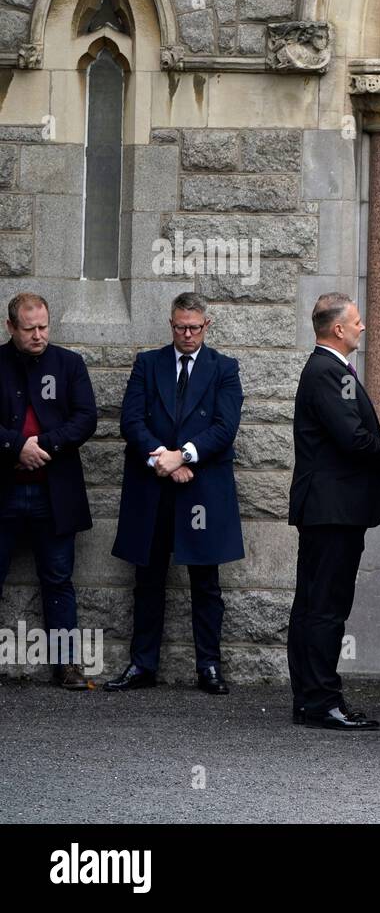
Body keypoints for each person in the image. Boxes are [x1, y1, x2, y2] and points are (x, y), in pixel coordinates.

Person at [106, 293, 244, 695]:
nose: (187, 334)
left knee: (206, 582)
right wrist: (161, 461)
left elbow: (224, 426)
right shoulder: (147, 364)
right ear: (171, 324)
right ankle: (142, 664)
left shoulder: (224, 368)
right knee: (148, 579)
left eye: (194, 327)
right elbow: (130, 421)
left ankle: (209, 666)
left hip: (201, 488)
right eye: (180, 327)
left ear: (207, 324)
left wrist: (183, 456)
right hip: (154, 486)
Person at [287, 293, 380, 730]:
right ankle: (320, 701)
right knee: (324, 608)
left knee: (315, 605)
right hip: (331, 512)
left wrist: (376, 440)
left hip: (329, 510)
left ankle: (310, 698)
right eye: (357, 321)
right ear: (337, 329)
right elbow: (353, 441)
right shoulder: (327, 371)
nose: (363, 327)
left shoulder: (329, 370)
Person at [0, 293, 97, 689]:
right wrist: (14, 447)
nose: (38, 335)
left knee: (58, 578)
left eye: (44, 327)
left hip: (53, 493)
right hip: (4, 490)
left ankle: (67, 664)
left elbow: (86, 418)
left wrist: (44, 446)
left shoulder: (69, 364)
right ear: (11, 327)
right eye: (29, 329)